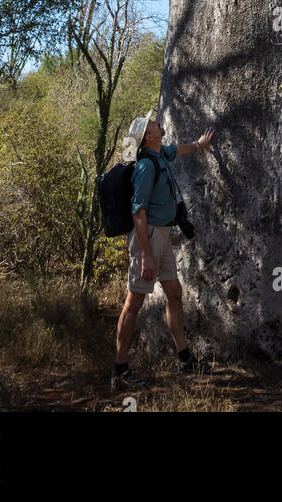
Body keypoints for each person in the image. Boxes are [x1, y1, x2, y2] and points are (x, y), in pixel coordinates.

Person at [111, 110, 214, 390]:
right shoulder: (145, 167)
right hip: (149, 238)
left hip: (164, 236)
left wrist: (198, 145)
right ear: (149, 135)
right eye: (153, 123)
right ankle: (119, 371)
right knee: (133, 304)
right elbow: (138, 213)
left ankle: (184, 359)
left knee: (174, 293)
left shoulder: (160, 154)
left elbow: (177, 150)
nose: (157, 122)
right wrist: (145, 254)